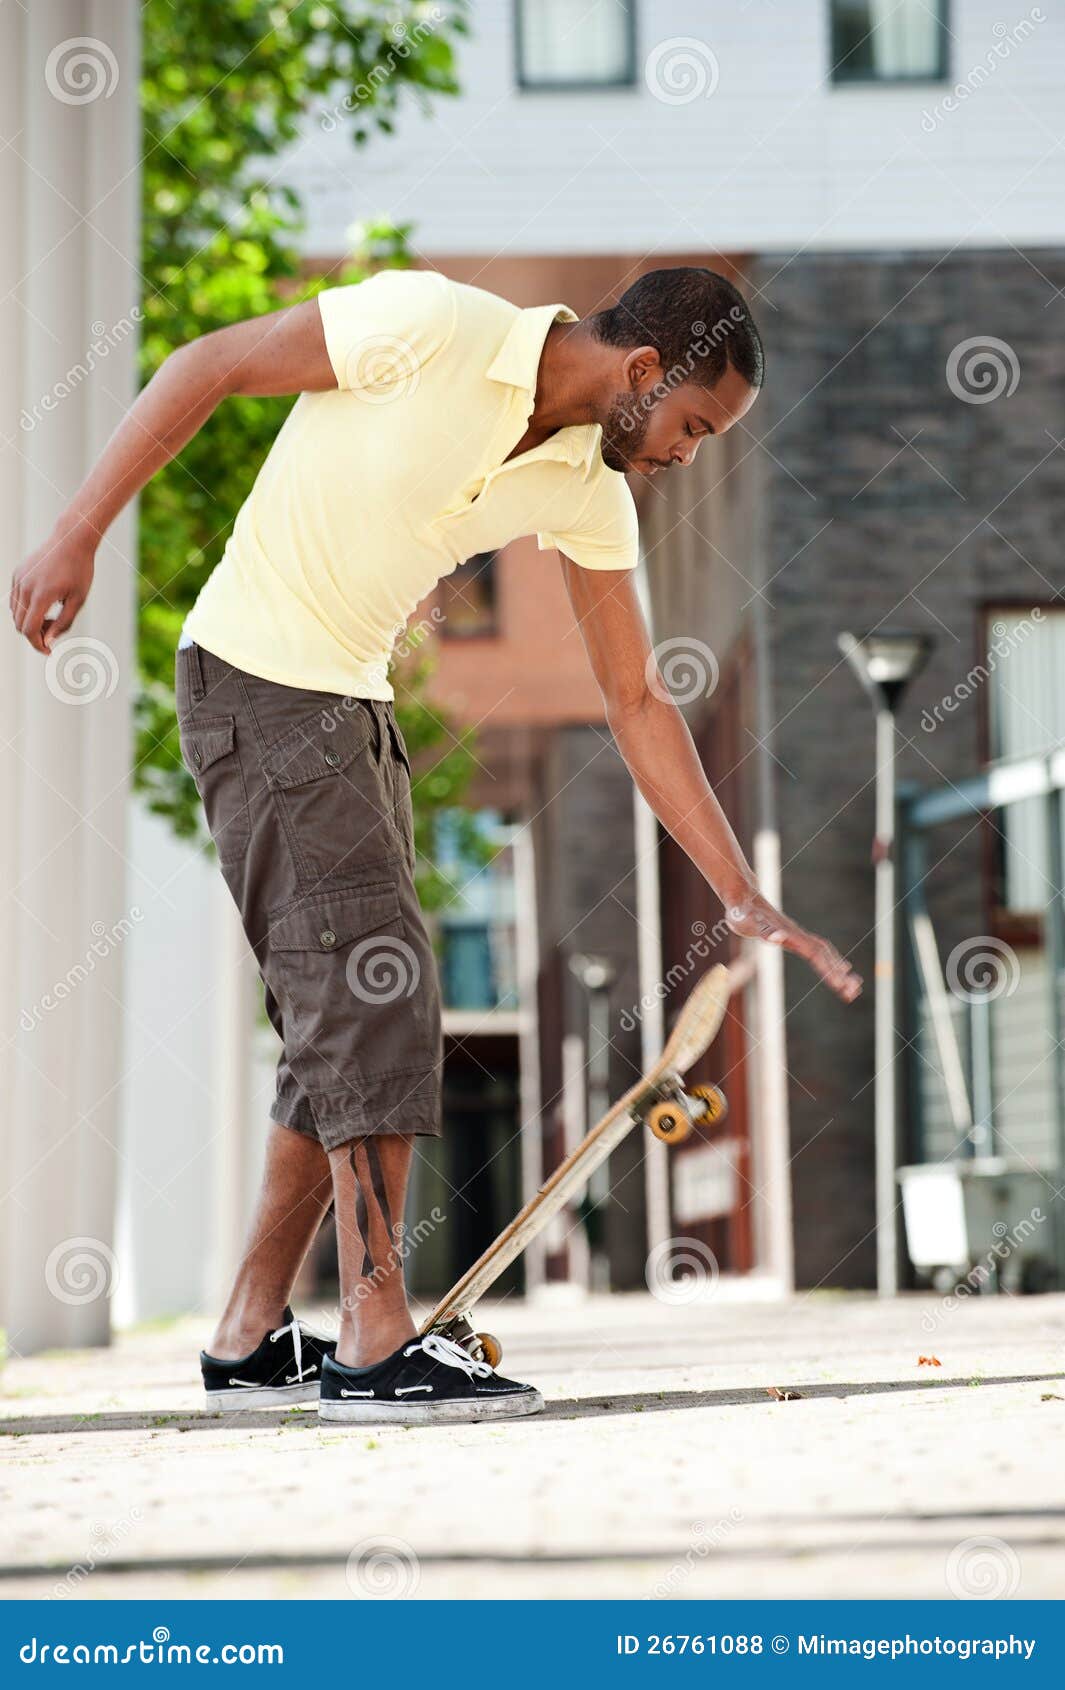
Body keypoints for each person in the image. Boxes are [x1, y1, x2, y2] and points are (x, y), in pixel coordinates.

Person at [10, 266, 861, 1425]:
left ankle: (252, 1336)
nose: (688, 454)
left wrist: (739, 887)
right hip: (258, 682)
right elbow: (207, 365)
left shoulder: (584, 489)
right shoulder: (429, 325)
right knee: (375, 994)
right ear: (645, 373)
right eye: (694, 425)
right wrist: (78, 532)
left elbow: (638, 701)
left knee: (335, 1024)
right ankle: (373, 1340)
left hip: (350, 704)